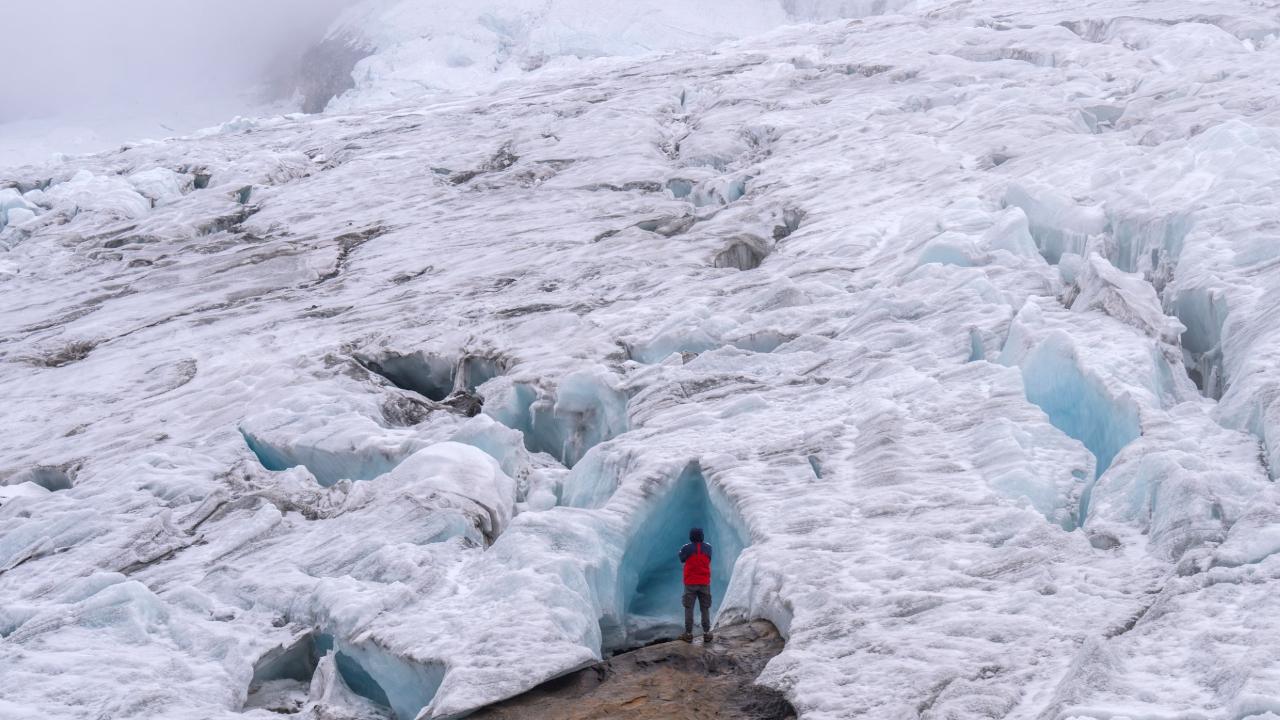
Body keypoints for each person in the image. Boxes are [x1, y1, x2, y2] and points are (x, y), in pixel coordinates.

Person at [678, 527, 713, 643]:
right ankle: (707, 633)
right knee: (705, 608)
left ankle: (688, 634)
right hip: (704, 582)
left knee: (689, 608)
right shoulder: (708, 548)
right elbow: (709, 559)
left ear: (691, 537)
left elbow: (682, 558)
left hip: (690, 583)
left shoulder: (686, 548)